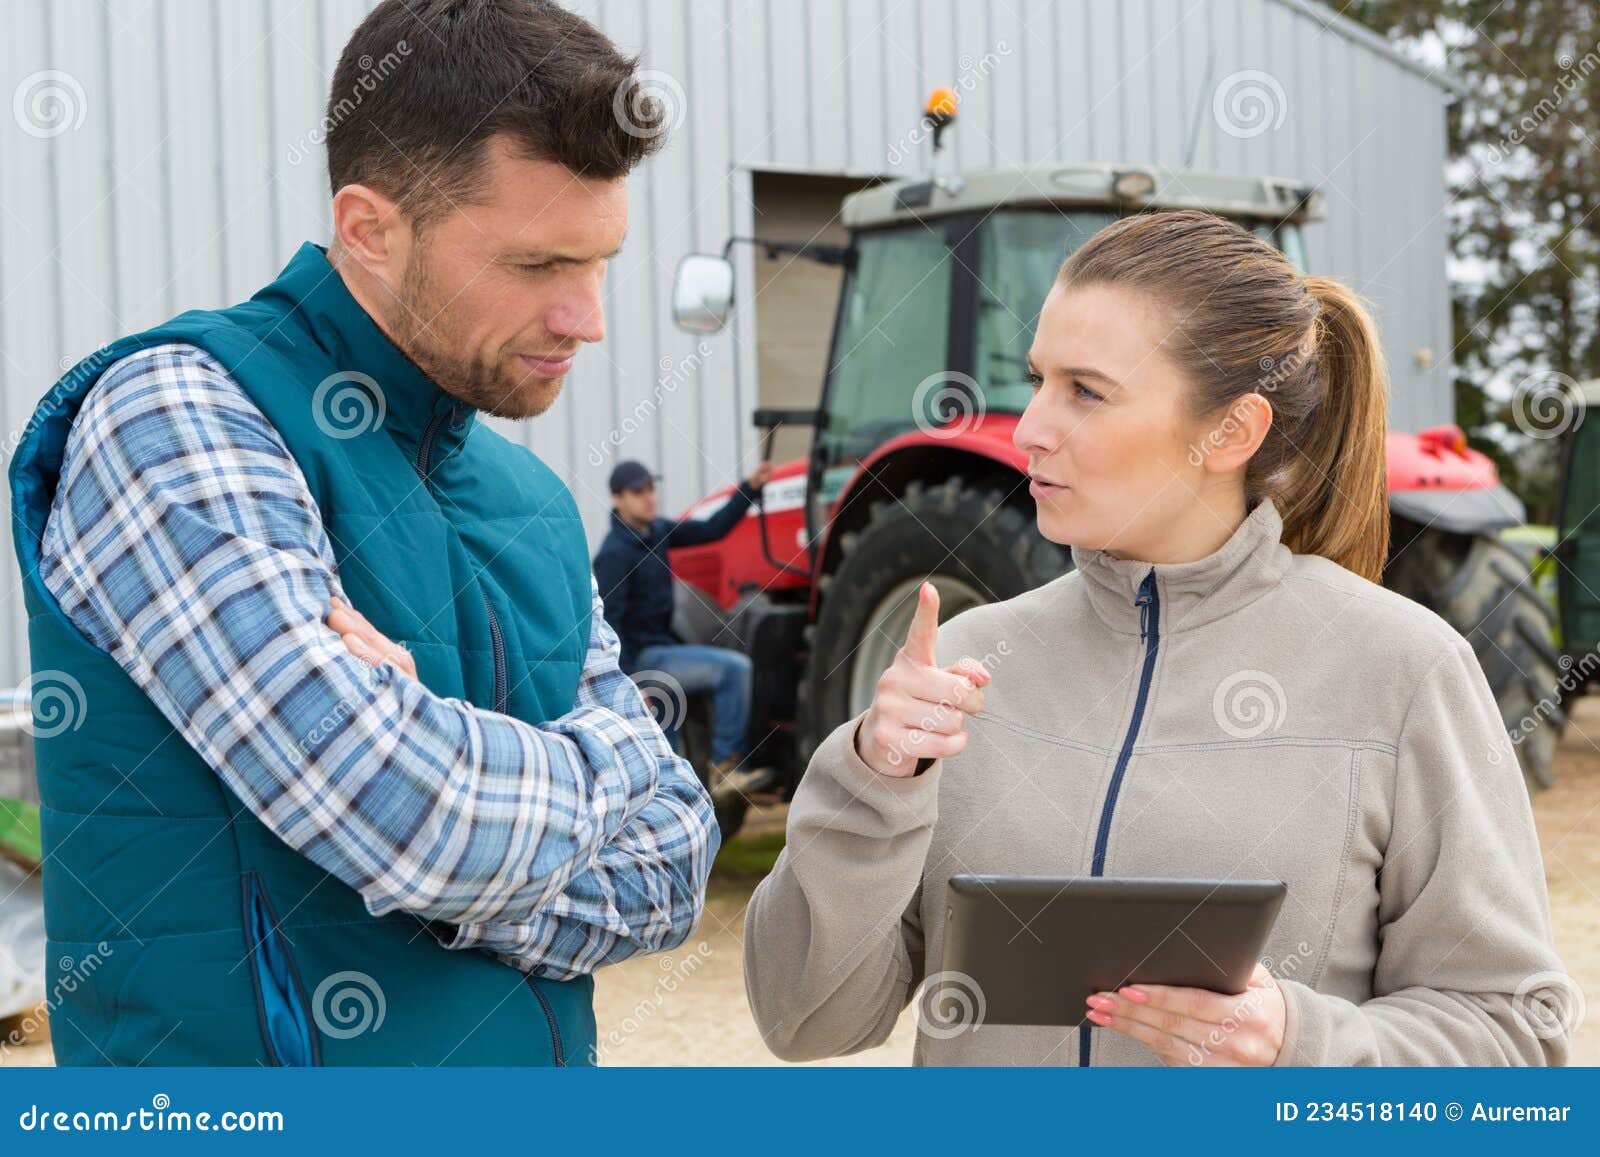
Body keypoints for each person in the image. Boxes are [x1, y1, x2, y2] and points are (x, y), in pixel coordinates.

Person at [8, 0, 716, 1067]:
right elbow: (416, 818)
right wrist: (608, 761)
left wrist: (451, 818)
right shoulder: (177, 417)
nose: (589, 318)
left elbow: (675, 865)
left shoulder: (528, 500)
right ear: (370, 228)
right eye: (535, 266)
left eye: (599, 260)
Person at [743, 210, 1573, 1067]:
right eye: (1036, 379)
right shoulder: (968, 662)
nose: (1030, 427)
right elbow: (806, 1023)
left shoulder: (1405, 671)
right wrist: (872, 782)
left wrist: (1301, 1039)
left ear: (1233, 432)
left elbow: (1518, 1038)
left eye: (1086, 390)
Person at [593, 458, 778, 799]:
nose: (650, 497)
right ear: (618, 499)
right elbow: (608, 625)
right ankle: (725, 769)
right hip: (645, 659)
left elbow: (713, 529)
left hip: (665, 650)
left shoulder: (658, 532)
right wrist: (632, 682)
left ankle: (715, 779)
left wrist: (750, 487)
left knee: (672, 753)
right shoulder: (614, 555)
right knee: (734, 669)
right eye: (638, 491)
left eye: (651, 488)